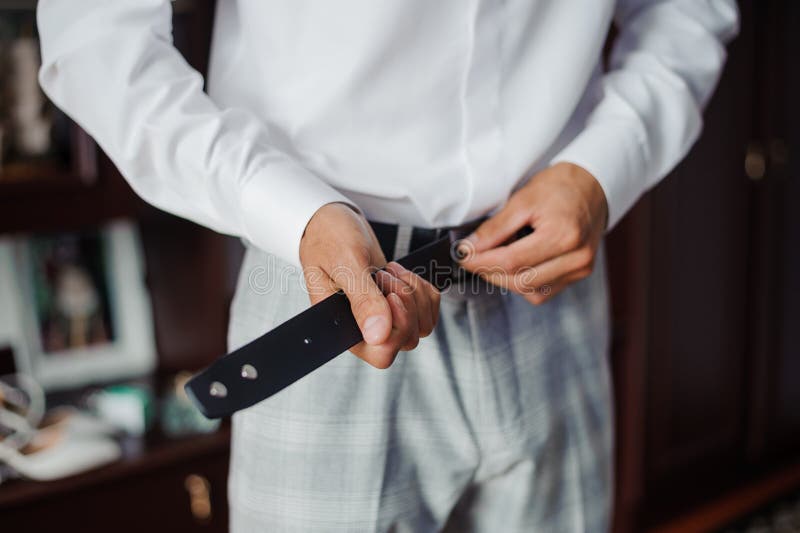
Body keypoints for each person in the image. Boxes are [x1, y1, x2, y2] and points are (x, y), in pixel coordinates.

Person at [36, 1, 738, 531]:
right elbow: (98, 39)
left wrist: (604, 165)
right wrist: (291, 210)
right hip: (323, 297)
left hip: (550, 272)